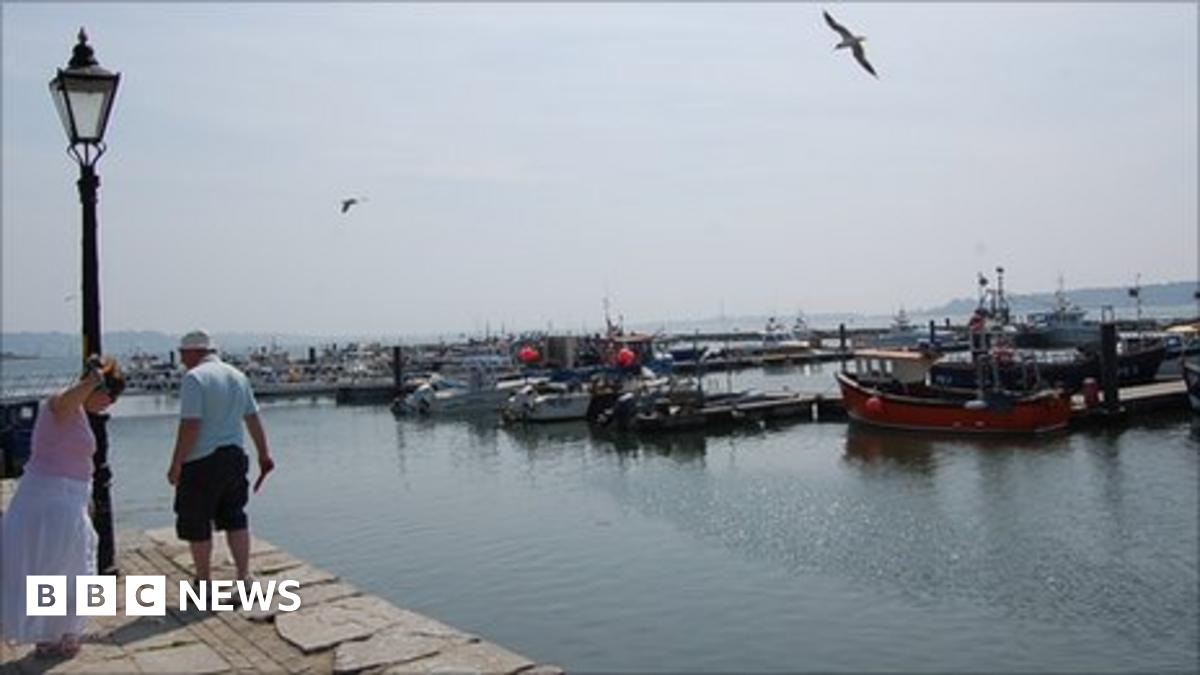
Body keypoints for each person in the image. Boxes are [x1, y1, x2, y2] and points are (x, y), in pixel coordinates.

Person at [1, 356, 125, 658]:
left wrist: (89, 497)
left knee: (73, 566)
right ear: (92, 388)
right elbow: (61, 405)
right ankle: (49, 634)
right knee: (54, 567)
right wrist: (91, 381)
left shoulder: (80, 415)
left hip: (69, 497)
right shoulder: (58, 404)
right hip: (49, 498)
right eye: (109, 394)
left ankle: (63, 631)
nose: (111, 402)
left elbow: (81, 461)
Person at [167, 330, 274, 584]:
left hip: (201, 461)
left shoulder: (194, 379)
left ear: (194, 352)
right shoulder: (238, 376)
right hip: (234, 455)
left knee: (197, 522)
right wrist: (264, 454)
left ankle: (204, 582)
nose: (181, 359)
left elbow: (191, 425)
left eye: (183, 354)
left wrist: (176, 462)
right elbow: (252, 418)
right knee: (235, 517)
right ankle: (244, 577)